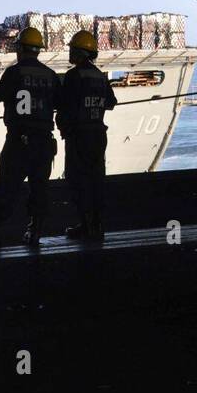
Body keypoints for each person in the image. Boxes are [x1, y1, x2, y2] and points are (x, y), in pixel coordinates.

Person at [0, 27, 59, 248]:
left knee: (7, 188)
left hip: (19, 141)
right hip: (44, 141)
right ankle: (35, 231)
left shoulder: (14, 73)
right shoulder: (50, 75)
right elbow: (60, 102)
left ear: (19, 48)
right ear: (38, 50)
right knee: (39, 188)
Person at [57, 29, 117, 242]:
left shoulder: (74, 76)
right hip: (98, 135)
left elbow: (63, 103)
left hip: (78, 136)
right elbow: (111, 102)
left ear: (81, 52)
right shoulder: (100, 77)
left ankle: (85, 225)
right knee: (96, 180)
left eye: (73, 49)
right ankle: (98, 225)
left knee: (77, 180)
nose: (70, 53)